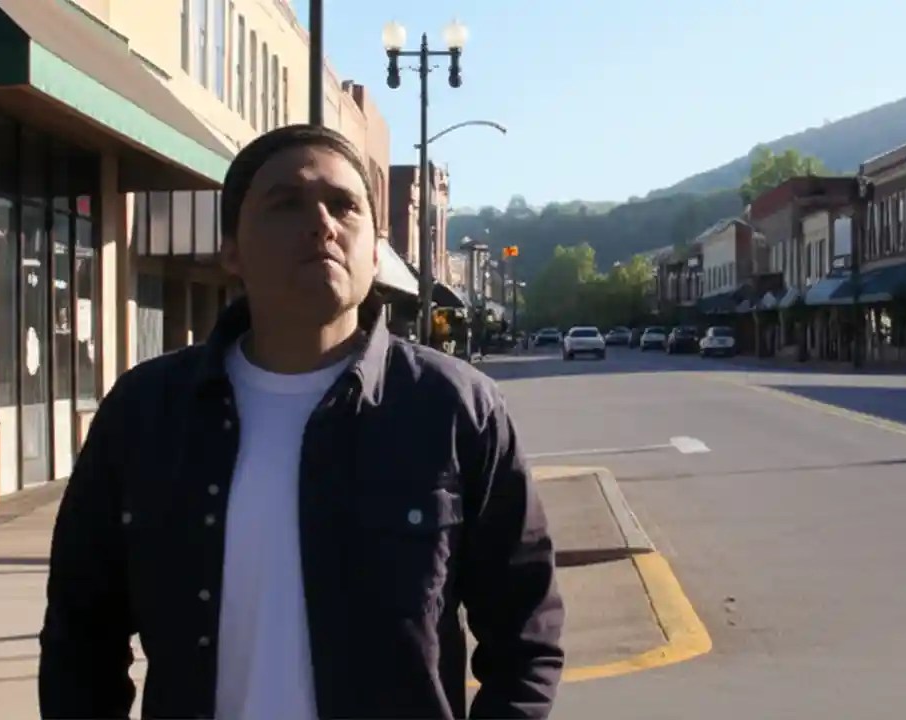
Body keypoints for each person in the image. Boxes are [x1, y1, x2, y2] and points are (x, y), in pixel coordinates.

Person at [38, 124, 565, 720]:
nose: (322, 224)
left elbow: (526, 635)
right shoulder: (144, 414)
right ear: (231, 248)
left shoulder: (456, 409)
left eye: (344, 205)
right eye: (286, 203)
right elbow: (80, 639)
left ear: (374, 249)